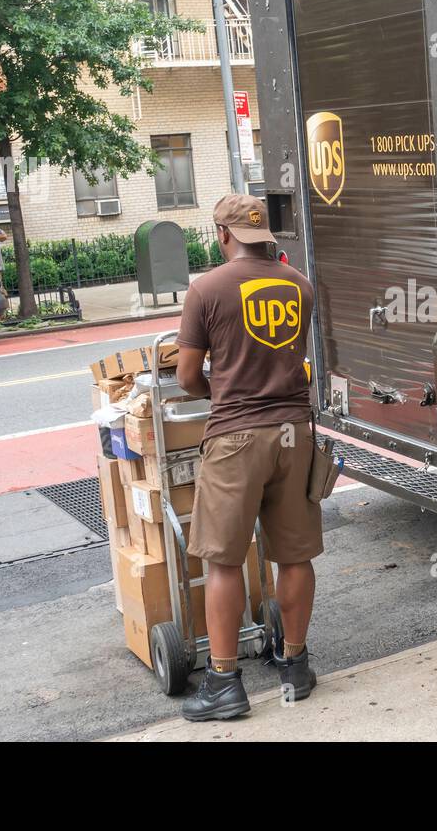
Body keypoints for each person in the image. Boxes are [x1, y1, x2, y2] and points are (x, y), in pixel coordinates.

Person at [175, 193, 321, 722]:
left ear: (222, 234)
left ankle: (223, 683)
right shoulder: (299, 285)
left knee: (223, 559)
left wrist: (221, 390)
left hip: (236, 436)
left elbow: (189, 375)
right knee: (294, 553)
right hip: (294, 435)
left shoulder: (206, 289)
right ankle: (296, 665)